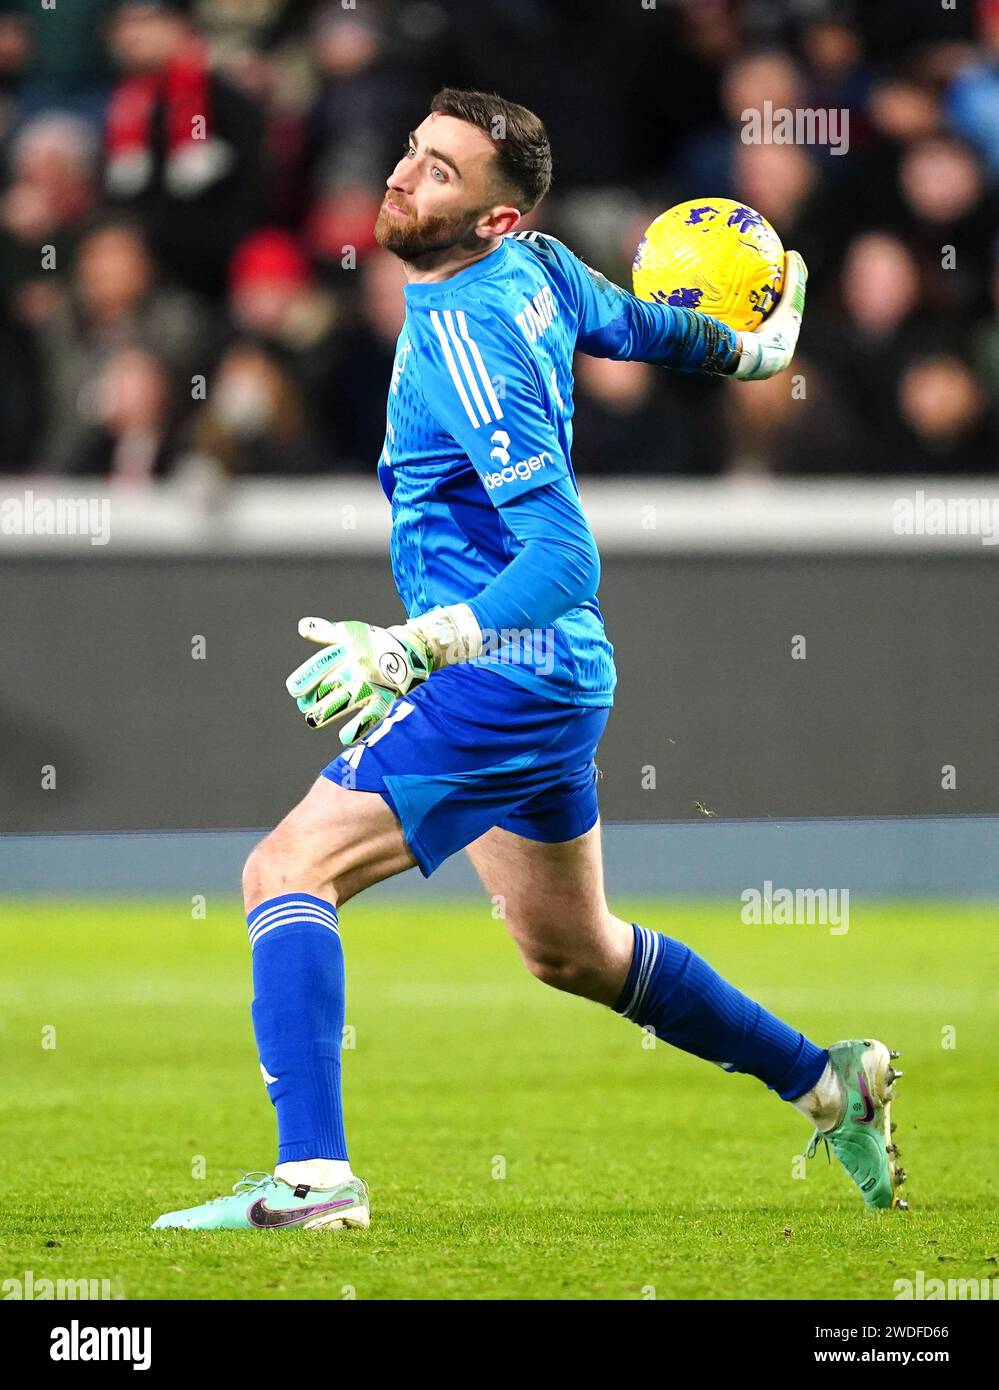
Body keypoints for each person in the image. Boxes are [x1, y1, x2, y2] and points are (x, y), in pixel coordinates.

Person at [152, 88, 905, 1233]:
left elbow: (563, 554)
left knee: (283, 870)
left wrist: (418, 645)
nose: (403, 176)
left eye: (440, 172)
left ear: (495, 221)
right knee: (574, 949)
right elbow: (637, 322)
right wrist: (747, 351)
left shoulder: (471, 328)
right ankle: (825, 1081)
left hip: (504, 671)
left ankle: (313, 1182)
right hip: (555, 677)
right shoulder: (541, 267)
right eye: (414, 152)